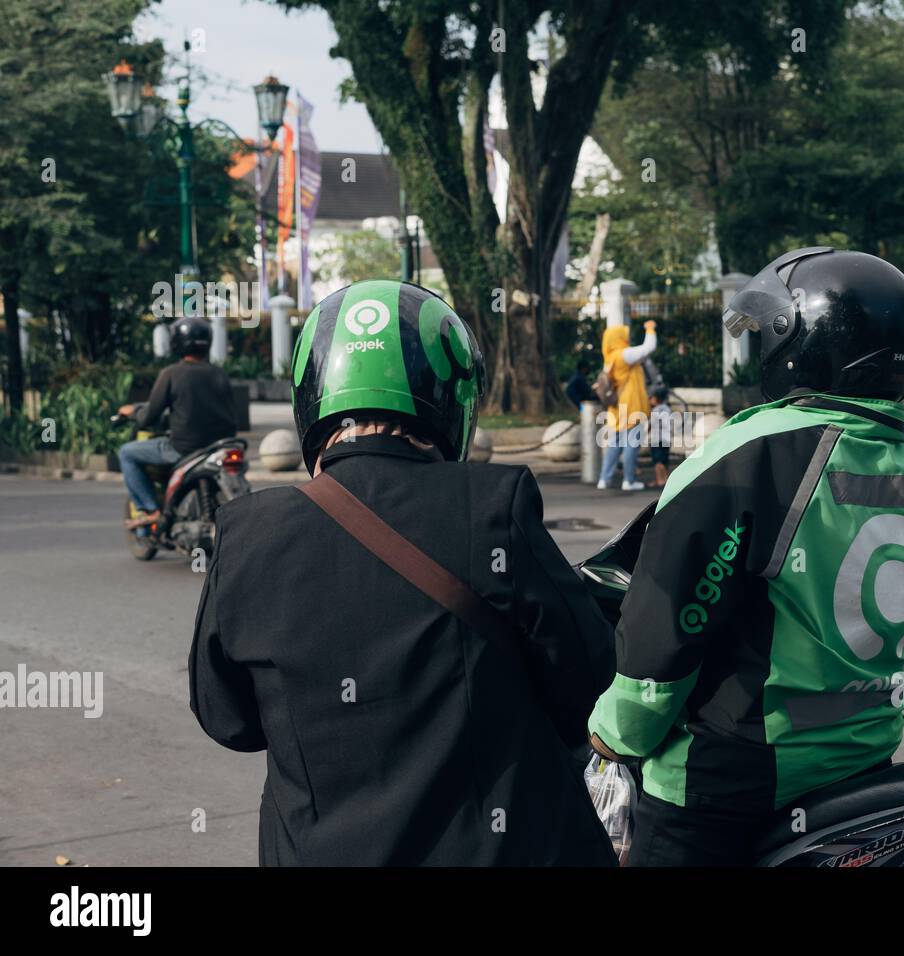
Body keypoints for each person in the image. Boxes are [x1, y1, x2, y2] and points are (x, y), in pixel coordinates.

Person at [188, 279, 617, 866]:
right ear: (452, 394)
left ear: (312, 395)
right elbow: (589, 680)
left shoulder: (248, 531)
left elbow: (227, 720)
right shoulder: (493, 503)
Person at [588, 248, 904, 866]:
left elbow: (668, 626)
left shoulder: (749, 452)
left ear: (801, 342)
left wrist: (614, 737)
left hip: (723, 787)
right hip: (861, 773)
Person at [118, 317, 237, 529]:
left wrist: (133, 412)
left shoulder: (171, 373)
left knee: (127, 452)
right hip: (221, 447)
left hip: (183, 449)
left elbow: (149, 416)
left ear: (177, 343)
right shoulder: (220, 374)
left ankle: (150, 509)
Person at [597, 320, 657, 491]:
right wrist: (650, 329)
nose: (627, 337)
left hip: (616, 407)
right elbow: (648, 348)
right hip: (630, 405)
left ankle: (604, 479)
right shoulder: (623, 355)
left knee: (615, 444)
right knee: (631, 443)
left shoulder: (609, 358)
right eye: (624, 335)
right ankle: (628, 481)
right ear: (617, 338)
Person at [647, 385, 672, 488]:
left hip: (657, 439)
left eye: (651, 398)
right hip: (666, 439)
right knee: (664, 460)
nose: (649, 400)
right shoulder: (667, 408)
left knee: (658, 461)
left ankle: (662, 481)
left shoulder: (656, 410)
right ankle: (662, 479)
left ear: (656, 399)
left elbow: (652, 424)